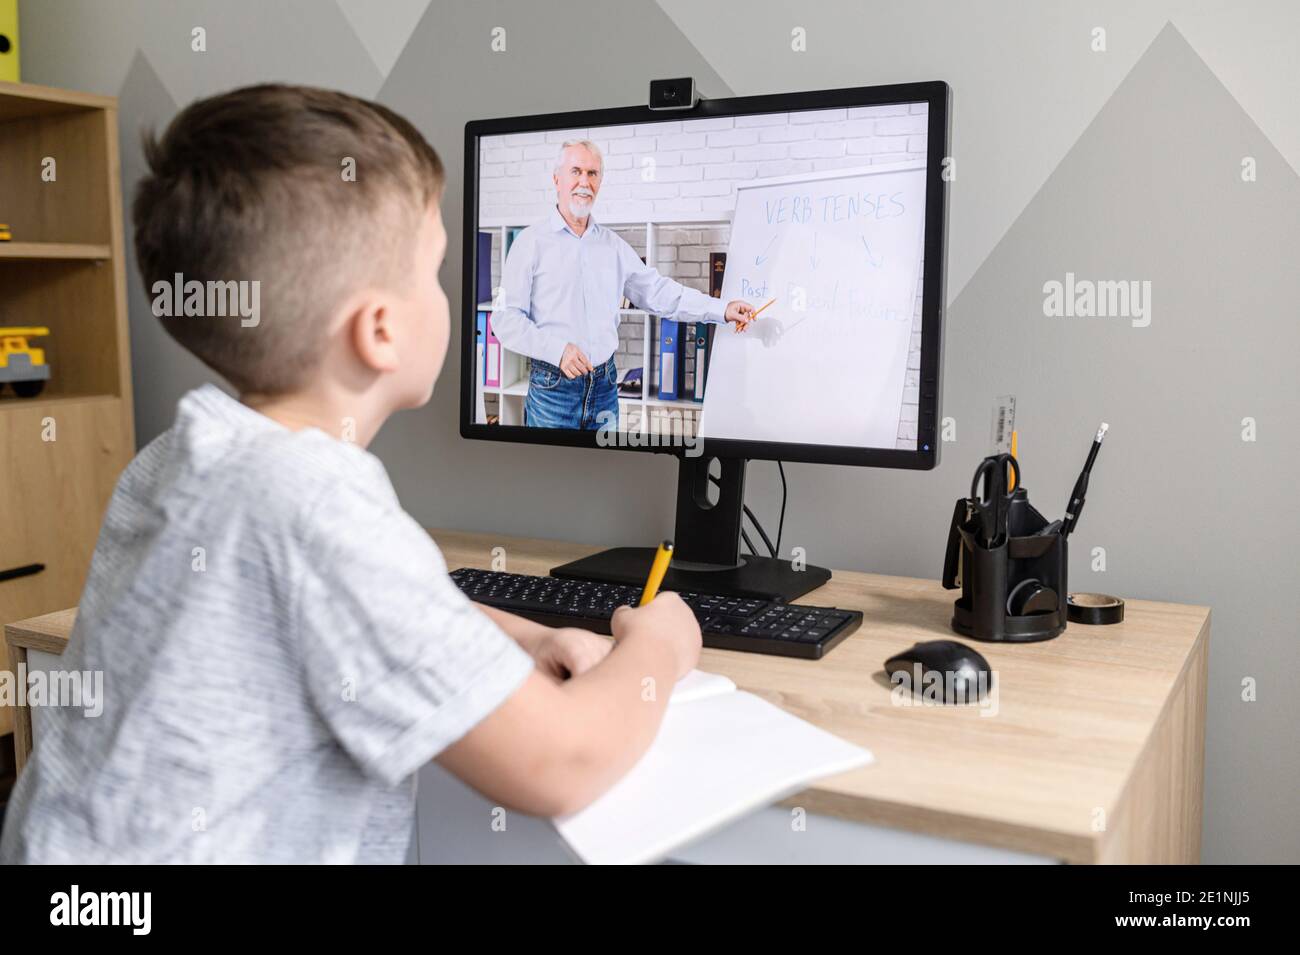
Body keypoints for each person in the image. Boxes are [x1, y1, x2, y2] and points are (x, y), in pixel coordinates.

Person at [0, 85, 702, 864]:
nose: (448, 295)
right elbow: (562, 762)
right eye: (436, 272)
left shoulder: (180, 460)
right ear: (378, 329)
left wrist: (529, 635)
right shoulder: (318, 510)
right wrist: (661, 647)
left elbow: (355, 614)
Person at [490, 139, 754, 429]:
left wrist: (722, 309)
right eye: (576, 171)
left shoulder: (613, 246)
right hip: (553, 392)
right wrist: (558, 350)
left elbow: (659, 292)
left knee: (607, 473)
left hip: (605, 389)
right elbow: (505, 319)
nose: (584, 182)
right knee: (549, 473)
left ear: (600, 182)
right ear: (557, 179)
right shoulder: (529, 243)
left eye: (592, 174)